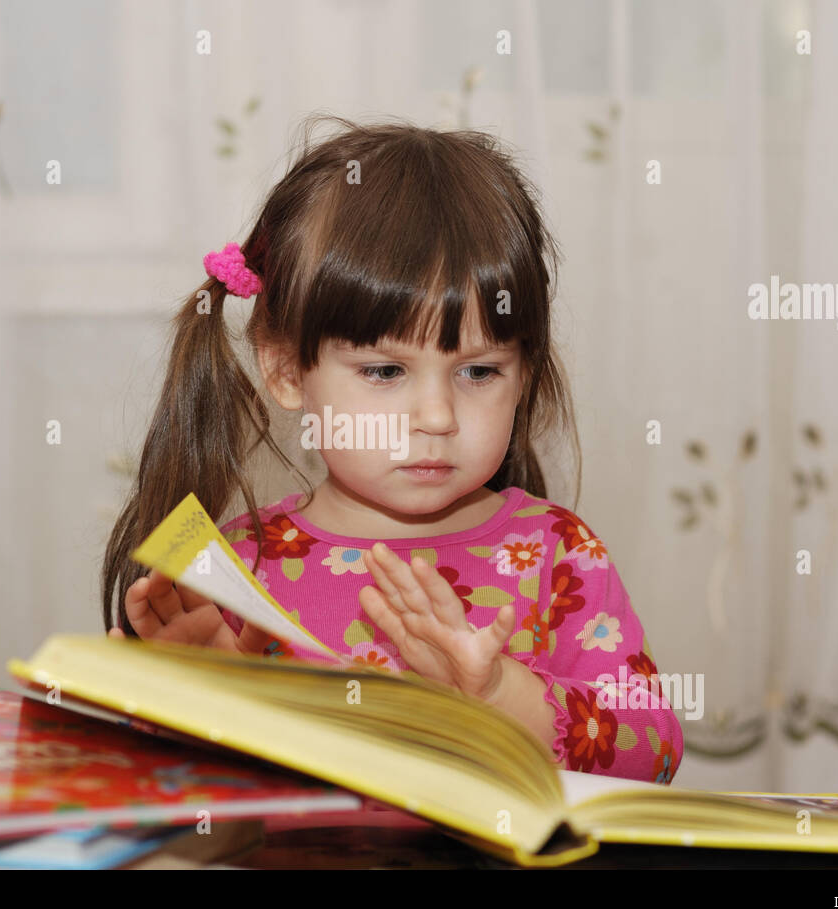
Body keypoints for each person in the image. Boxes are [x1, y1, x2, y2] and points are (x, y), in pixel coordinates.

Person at [101, 115, 682, 783]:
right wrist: (184, 698)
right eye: (384, 372)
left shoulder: (557, 555)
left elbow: (652, 751)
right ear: (287, 370)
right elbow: (164, 801)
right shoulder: (233, 574)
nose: (436, 417)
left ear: (525, 374)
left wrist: (496, 694)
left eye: (479, 372)